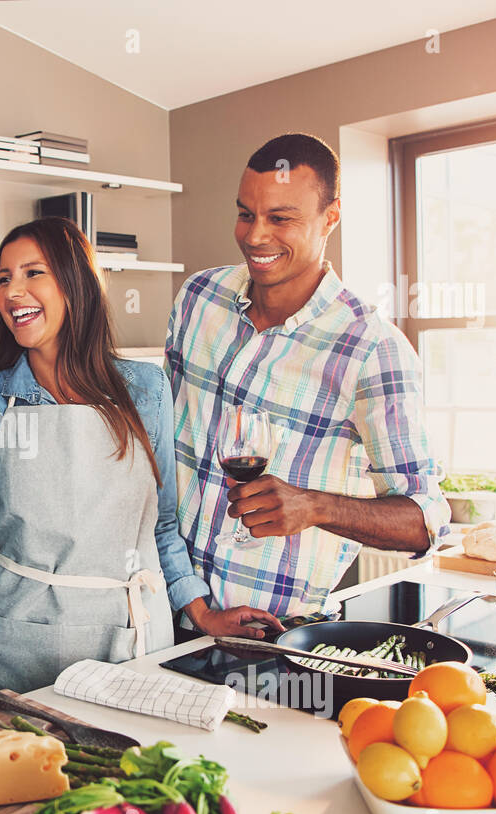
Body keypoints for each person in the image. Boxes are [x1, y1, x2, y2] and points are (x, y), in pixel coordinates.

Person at [0, 217, 281, 696]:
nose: (13, 292)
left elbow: (159, 525)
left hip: (131, 636)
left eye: (33, 273)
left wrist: (199, 610)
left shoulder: (145, 389)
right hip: (20, 641)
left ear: (77, 284)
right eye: (3, 279)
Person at [166, 133, 450, 617]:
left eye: (281, 218)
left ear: (330, 218)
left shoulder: (372, 349)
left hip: (274, 639)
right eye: (246, 214)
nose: (255, 236)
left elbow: (426, 521)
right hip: (160, 610)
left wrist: (316, 507)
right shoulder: (198, 298)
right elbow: (157, 448)